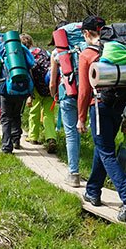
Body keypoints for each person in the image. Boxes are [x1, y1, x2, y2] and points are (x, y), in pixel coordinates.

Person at [78, 16, 126, 222]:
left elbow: (84, 91)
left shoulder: (87, 54)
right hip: (120, 104)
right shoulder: (119, 50)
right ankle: (93, 190)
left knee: (106, 151)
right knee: (103, 147)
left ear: (87, 33)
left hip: (99, 106)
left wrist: (80, 118)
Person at [49, 22, 86, 188]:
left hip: (67, 94)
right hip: (87, 96)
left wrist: (54, 95)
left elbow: (52, 82)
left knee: (71, 134)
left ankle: (74, 173)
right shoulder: (88, 48)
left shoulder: (58, 52)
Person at [0, 33, 35, 153]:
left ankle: (6, 146)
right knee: (16, 115)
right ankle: (16, 140)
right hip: (21, 88)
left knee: (5, 117)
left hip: (5, 89)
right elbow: (32, 64)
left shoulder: (0, 49)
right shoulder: (23, 49)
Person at [21, 33, 56, 153]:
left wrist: (29, 94)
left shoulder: (26, 55)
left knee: (34, 112)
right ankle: (51, 138)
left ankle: (33, 137)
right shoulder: (44, 51)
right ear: (32, 42)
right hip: (49, 86)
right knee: (48, 113)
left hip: (36, 88)